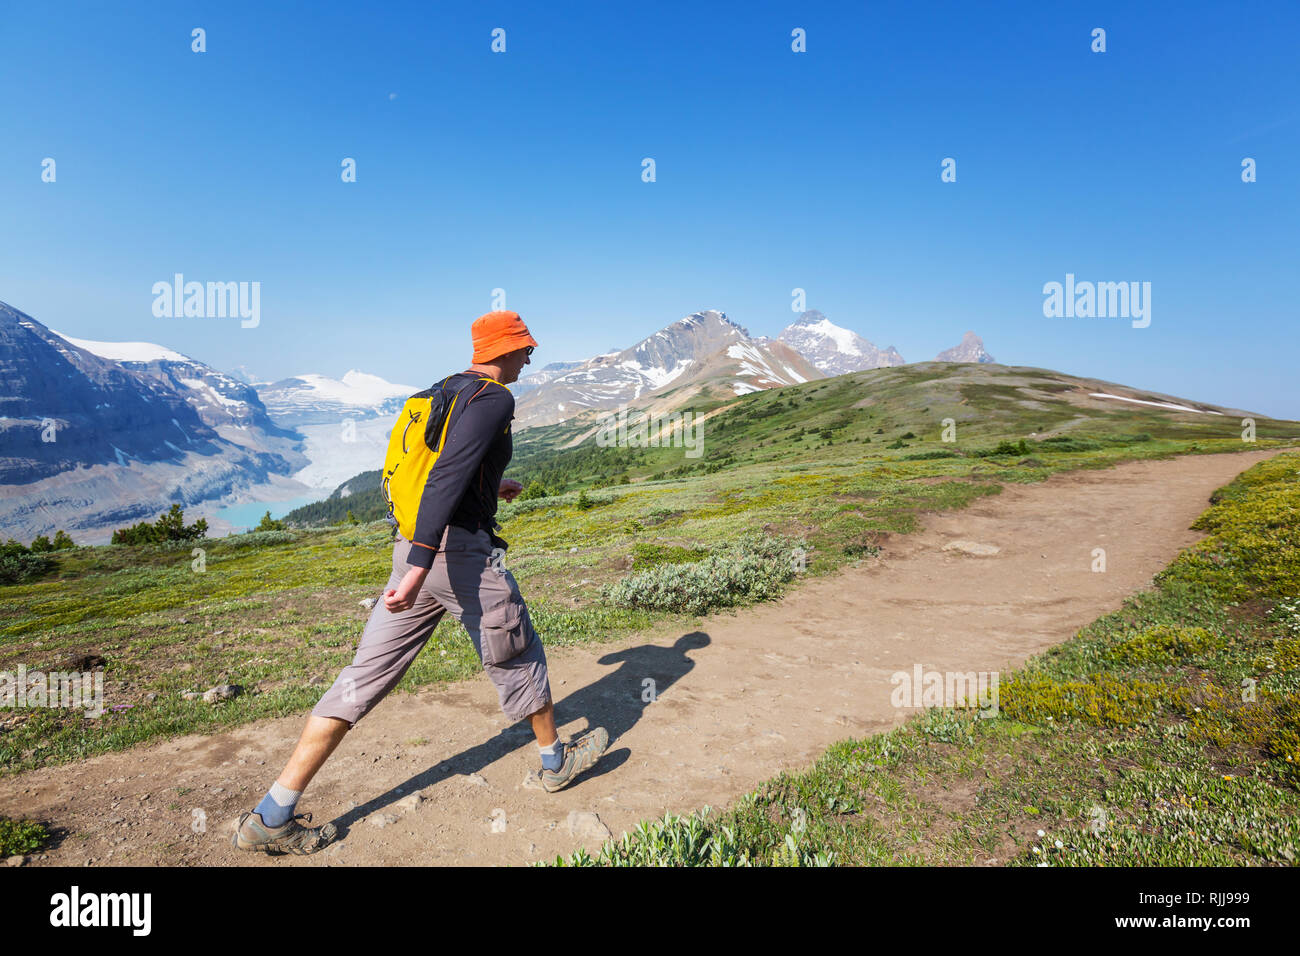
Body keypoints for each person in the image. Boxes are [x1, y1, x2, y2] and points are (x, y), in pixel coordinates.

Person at [232, 310, 609, 855]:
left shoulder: (443, 390)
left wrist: (489, 488)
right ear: (505, 347)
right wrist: (421, 568)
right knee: (517, 649)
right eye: (526, 347)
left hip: (411, 548)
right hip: (455, 559)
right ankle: (556, 764)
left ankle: (272, 813)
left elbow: (439, 468)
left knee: (361, 679)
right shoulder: (495, 398)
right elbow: (446, 475)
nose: (530, 355)